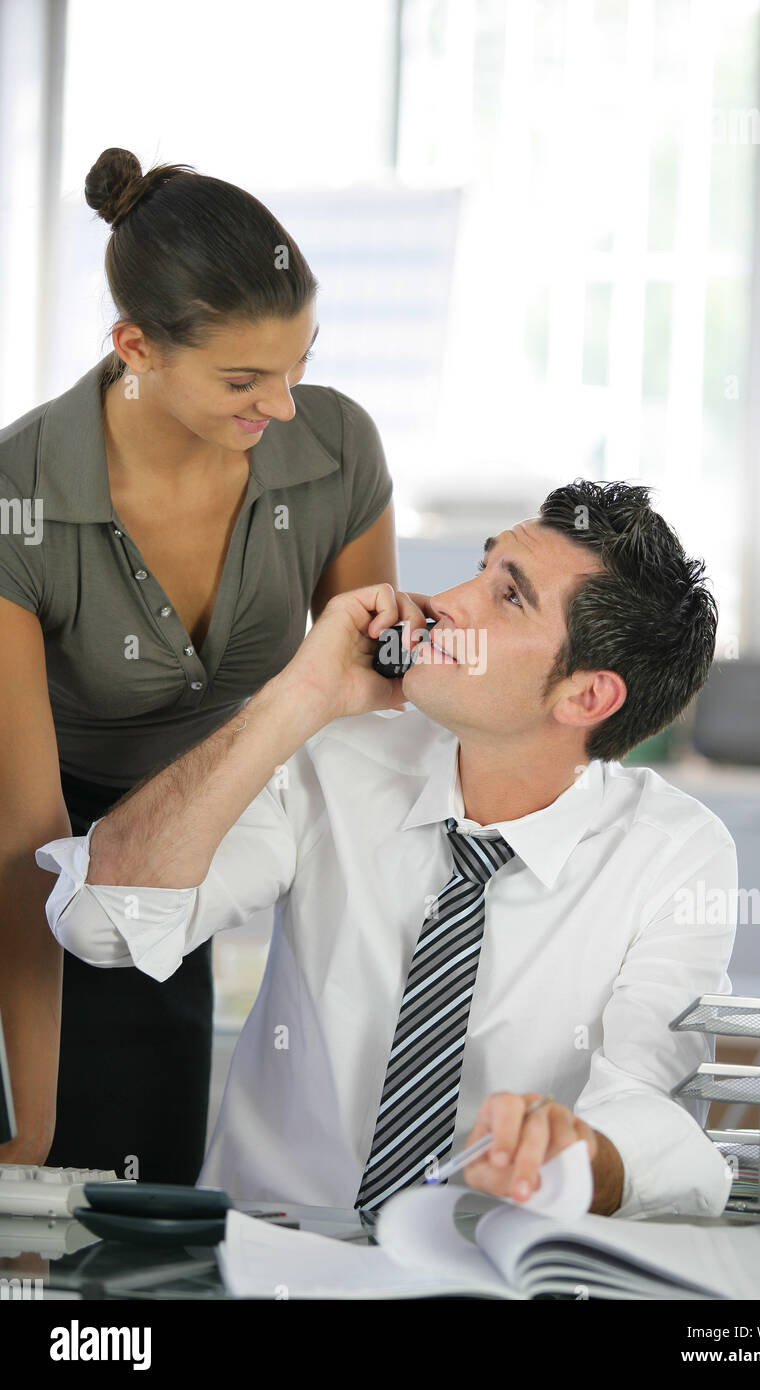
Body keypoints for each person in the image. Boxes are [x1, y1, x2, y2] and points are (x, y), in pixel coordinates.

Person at [36, 480, 738, 1218]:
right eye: (482, 566)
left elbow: (646, 1101)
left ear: (586, 699)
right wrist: (298, 696)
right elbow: (98, 922)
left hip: (487, 1275)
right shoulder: (338, 754)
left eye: (508, 597)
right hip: (269, 1273)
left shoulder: (674, 855)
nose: (447, 601)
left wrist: (583, 1156)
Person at [0, 147, 399, 1182]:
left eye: (299, 364)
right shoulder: (19, 495)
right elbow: (23, 832)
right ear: (136, 346)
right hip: (39, 850)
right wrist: (32, 1115)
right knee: (41, 1175)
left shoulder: (336, 450)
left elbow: (362, 723)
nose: (281, 403)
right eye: (242, 378)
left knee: (148, 1185)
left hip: (192, 837)